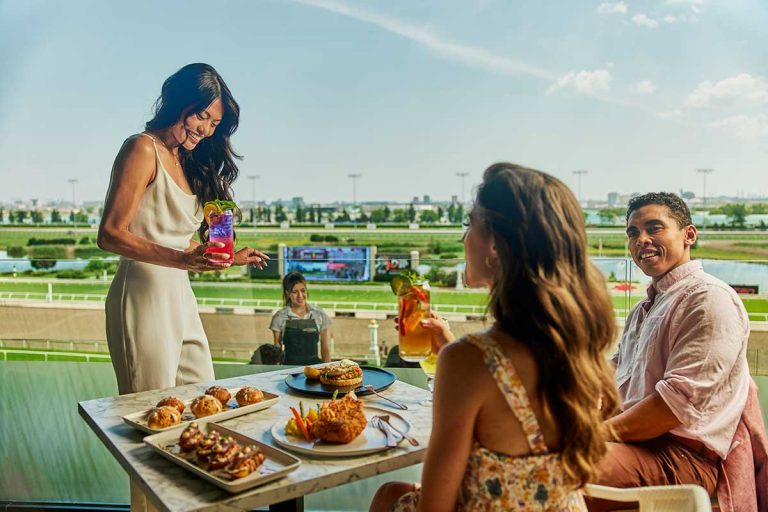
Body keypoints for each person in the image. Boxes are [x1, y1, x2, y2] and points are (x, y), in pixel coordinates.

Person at [371, 163, 619, 512]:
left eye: (469, 225)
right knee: (392, 492)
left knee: (386, 497)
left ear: (495, 246)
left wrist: (455, 359)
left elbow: (434, 507)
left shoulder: (467, 361)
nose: (464, 239)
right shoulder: (580, 347)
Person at [98, 63, 269, 395]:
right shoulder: (141, 148)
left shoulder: (187, 160)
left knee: (201, 396)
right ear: (180, 103)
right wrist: (181, 259)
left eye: (214, 123)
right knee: (149, 409)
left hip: (180, 296)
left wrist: (227, 257)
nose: (206, 129)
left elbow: (172, 237)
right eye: (201, 116)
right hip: (142, 296)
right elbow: (110, 234)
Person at [586, 193, 751, 511]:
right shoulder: (644, 309)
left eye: (654, 228)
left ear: (689, 235)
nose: (641, 240)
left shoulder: (707, 300)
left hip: (678, 456)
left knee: (550, 469)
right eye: (633, 233)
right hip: (637, 443)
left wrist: (594, 433)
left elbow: (672, 406)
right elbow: (612, 373)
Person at [269, 271, 331, 364]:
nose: (300, 296)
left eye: (303, 290)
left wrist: (328, 372)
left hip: (313, 368)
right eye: (295, 292)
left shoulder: (320, 315)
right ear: (287, 293)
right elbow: (277, 351)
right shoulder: (279, 317)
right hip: (288, 369)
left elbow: (325, 349)